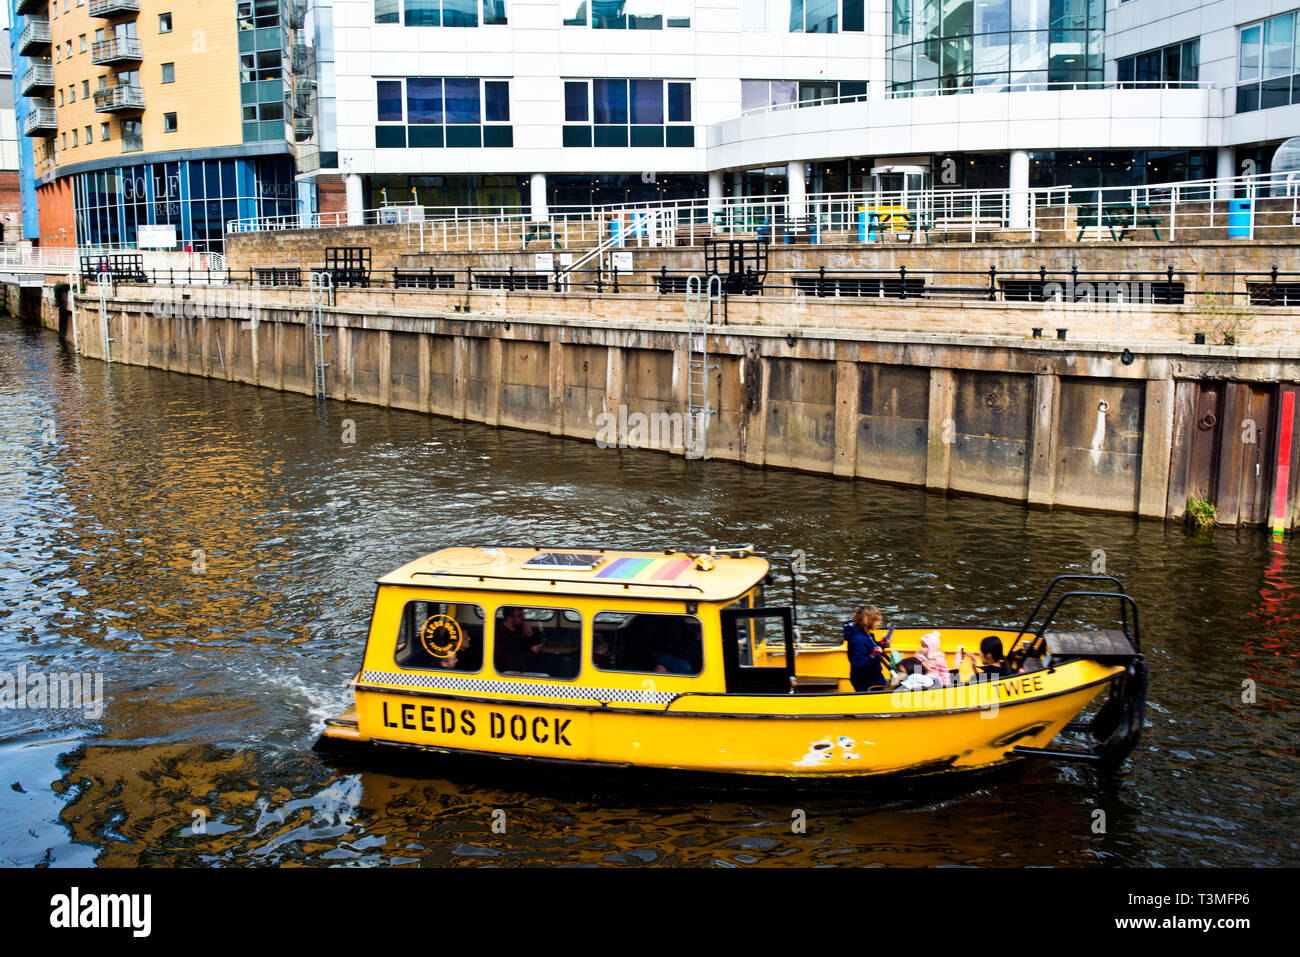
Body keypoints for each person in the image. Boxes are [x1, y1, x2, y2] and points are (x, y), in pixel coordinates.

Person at [844, 604, 888, 692]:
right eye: (877, 621)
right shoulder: (859, 640)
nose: (879, 623)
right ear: (869, 621)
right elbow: (858, 663)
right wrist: (873, 655)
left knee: (887, 683)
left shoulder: (866, 634)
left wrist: (882, 643)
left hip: (873, 674)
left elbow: (872, 646)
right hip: (865, 679)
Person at [495, 606, 545, 673]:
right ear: (509, 618)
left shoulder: (519, 629)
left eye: (523, 615)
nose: (523, 618)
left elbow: (527, 645)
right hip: (509, 672)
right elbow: (512, 664)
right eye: (519, 616)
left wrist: (530, 635)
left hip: (525, 665)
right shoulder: (501, 636)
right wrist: (532, 652)